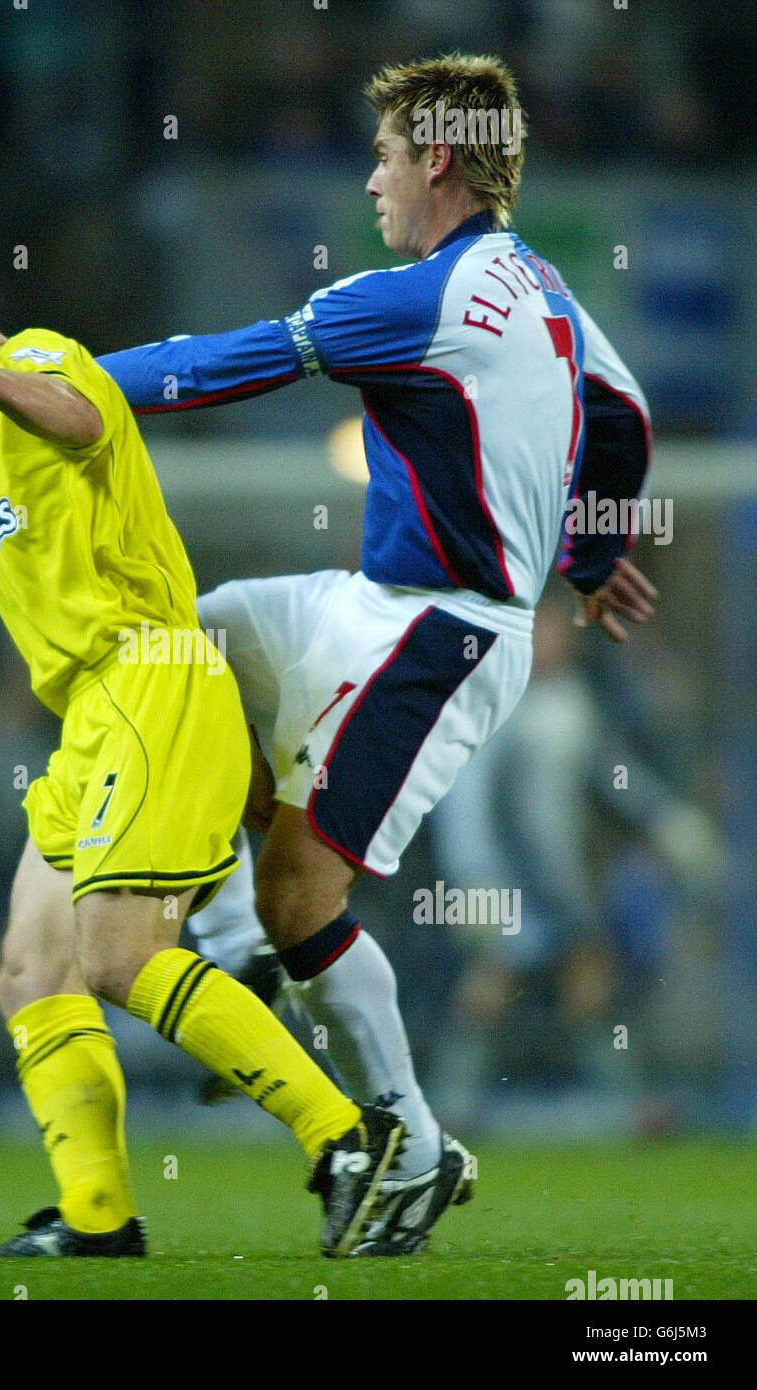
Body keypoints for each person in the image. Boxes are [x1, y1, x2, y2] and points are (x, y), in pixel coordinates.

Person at [97, 54, 657, 1254]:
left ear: (436, 160)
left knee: (306, 887)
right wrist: (592, 549)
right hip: (371, 597)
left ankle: (407, 1134)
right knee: (185, 645)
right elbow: (622, 416)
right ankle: (242, 954)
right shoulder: (548, 289)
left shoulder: (423, 298)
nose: (371, 182)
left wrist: (34, 378)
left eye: (385, 157)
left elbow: (208, 366)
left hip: (441, 629)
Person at [0, 224, 405, 1260]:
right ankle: (98, 1216)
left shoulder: (35, 361)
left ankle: (346, 1140)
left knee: (121, 955)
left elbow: (89, 421)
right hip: (96, 716)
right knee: (31, 968)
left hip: (148, 683)